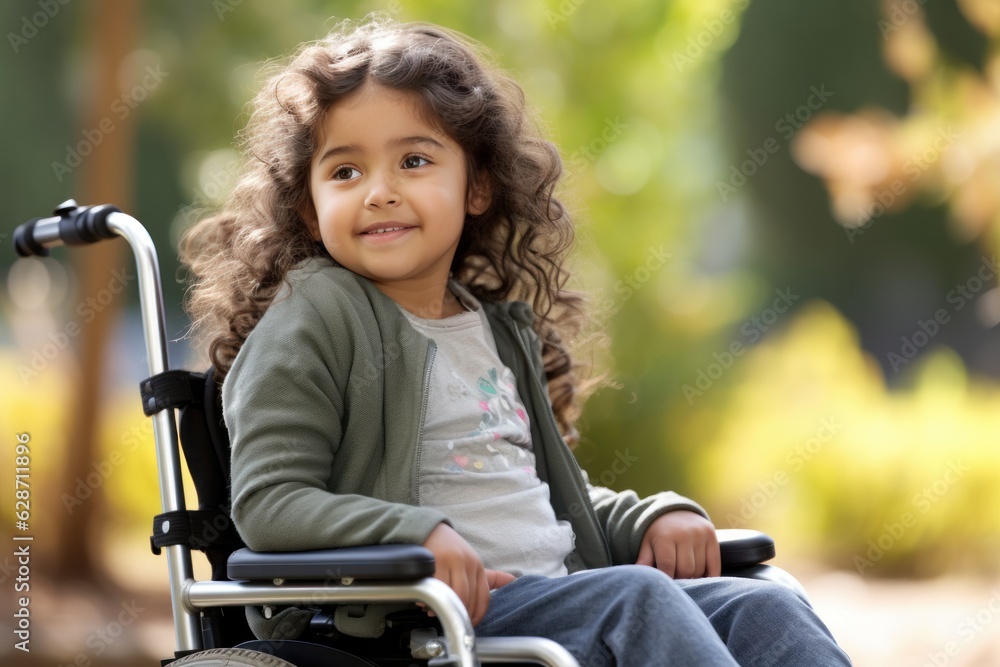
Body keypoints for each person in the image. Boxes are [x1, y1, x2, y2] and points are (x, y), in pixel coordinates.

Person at [180, 15, 851, 666]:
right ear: (309, 205)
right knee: (637, 600)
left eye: (413, 160)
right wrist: (415, 533)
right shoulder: (317, 311)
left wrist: (646, 521)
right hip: (415, 618)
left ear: (476, 187)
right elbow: (271, 504)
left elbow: (540, 499)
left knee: (763, 605)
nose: (378, 192)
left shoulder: (489, 327)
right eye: (345, 171)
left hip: (556, 594)